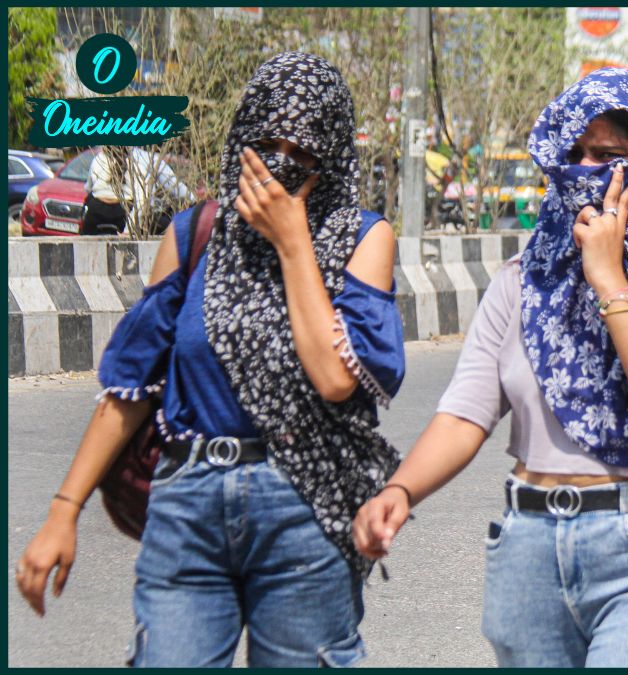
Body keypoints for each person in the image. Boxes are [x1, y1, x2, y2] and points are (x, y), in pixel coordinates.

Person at [352, 67, 628, 667]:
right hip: (529, 554)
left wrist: (609, 279)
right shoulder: (523, 282)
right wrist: (399, 490)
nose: (585, 171)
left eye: (608, 156)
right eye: (574, 154)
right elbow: (464, 415)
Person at [16, 52, 406, 667]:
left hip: (304, 507)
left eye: (303, 153)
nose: (281, 164)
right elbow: (132, 385)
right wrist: (64, 510)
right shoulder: (194, 234)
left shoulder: (361, 238)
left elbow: (335, 378)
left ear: (330, 156)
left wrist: (293, 243)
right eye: (267, 145)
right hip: (189, 503)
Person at [82, 145, 195, 236]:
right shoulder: (142, 161)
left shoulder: (98, 160)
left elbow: (88, 188)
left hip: (95, 214)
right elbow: (143, 200)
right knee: (168, 229)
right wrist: (129, 231)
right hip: (124, 214)